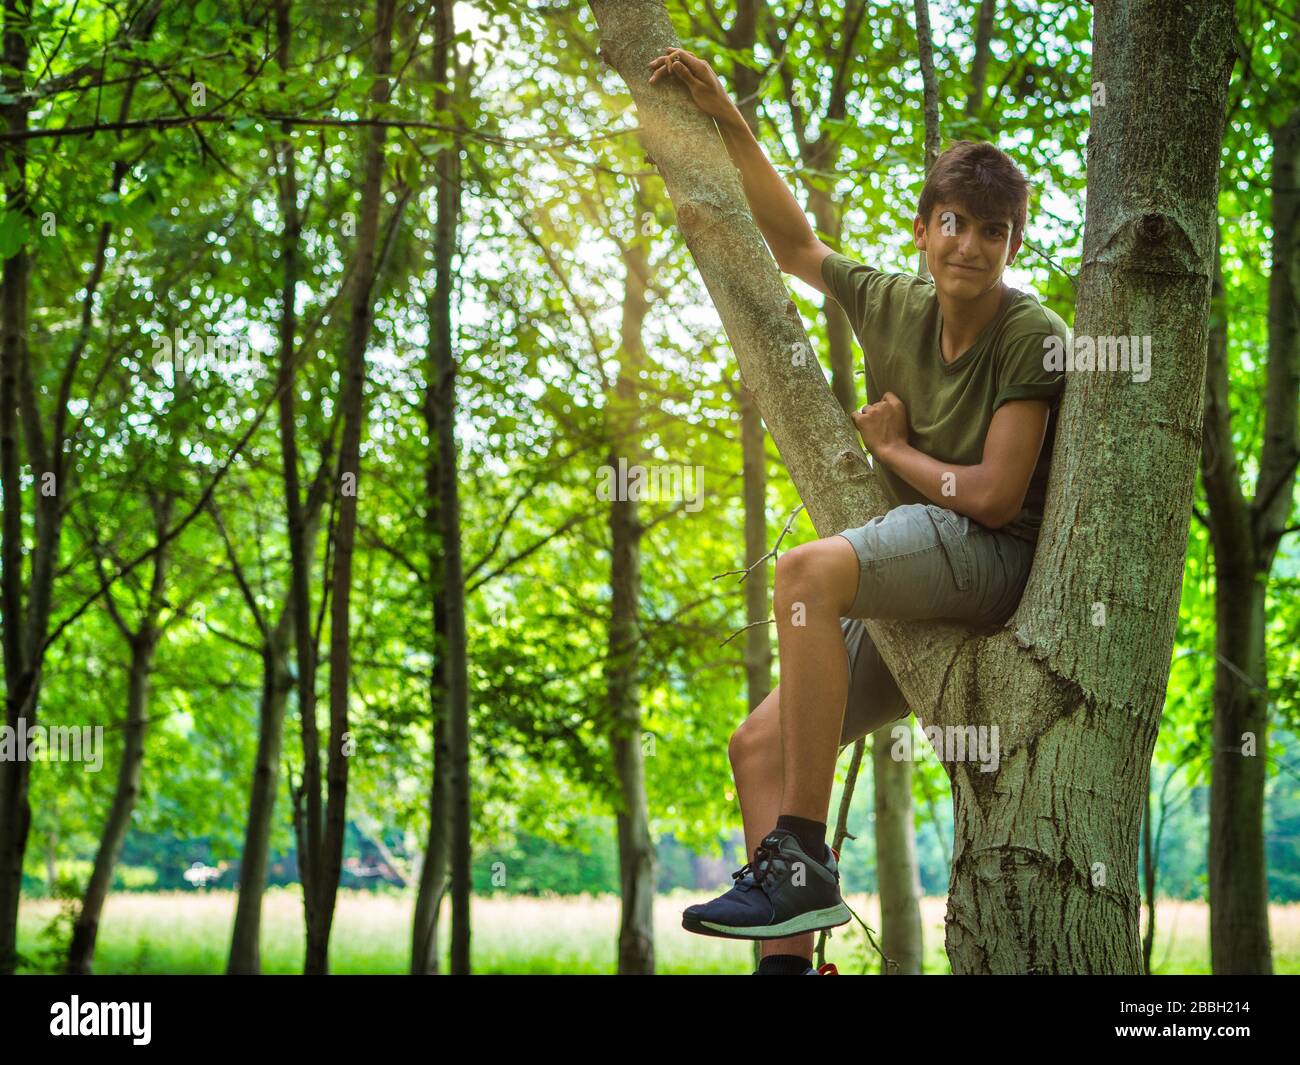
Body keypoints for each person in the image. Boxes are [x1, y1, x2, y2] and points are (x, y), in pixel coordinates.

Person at [648, 47, 1069, 976]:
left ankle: (799, 851)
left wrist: (896, 451)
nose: (970, 245)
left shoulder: (1031, 334)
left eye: (993, 232)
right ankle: (790, 965)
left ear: (1013, 245)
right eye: (953, 223)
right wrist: (726, 118)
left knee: (806, 570)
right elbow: (796, 245)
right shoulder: (894, 302)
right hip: (920, 566)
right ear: (923, 230)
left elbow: (999, 495)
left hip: (992, 559)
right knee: (756, 740)